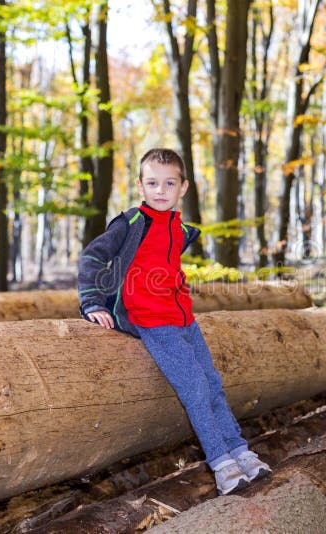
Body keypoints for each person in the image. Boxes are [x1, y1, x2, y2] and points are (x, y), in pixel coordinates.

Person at [77, 148, 271, 495]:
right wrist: (93, 301)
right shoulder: (131, 223)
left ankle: (241, 451)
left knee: (212, 382)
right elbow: (92, 255)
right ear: (140, 186)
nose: (160, 190)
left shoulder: (177, 228)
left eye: (169, 183)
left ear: (183, 187)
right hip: (153, 321)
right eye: (152, 183)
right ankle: (222, 465)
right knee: (195, 387)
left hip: (184, 319)